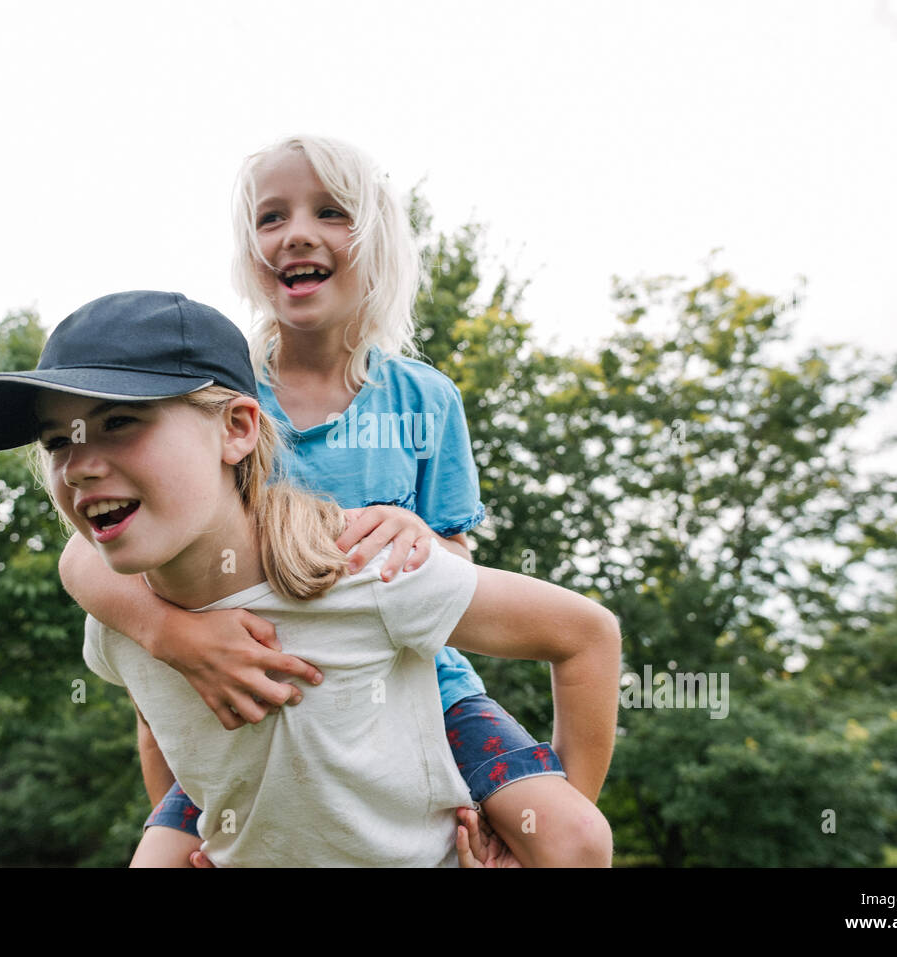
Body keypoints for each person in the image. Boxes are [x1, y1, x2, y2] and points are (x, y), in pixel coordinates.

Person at [59, 134, 618, 866]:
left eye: (331, 212)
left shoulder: (424, 398)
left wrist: (416, 532)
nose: (296, 232)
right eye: (270, 217)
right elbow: (84, 555)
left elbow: (452, 560)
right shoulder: (217, 398)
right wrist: (173, 636)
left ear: (379, 242)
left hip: (416, 693)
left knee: (573, 836)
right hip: (242, 686)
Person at [0, 290, 619, 867]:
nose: (81, 464)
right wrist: (209, 825)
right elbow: (162, 731)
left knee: (575, 838)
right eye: (58, 440)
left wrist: (522, 839)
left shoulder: (366, 567)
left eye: (120, 422)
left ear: (236, 427)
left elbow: (587, 633)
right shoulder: (117, 625)